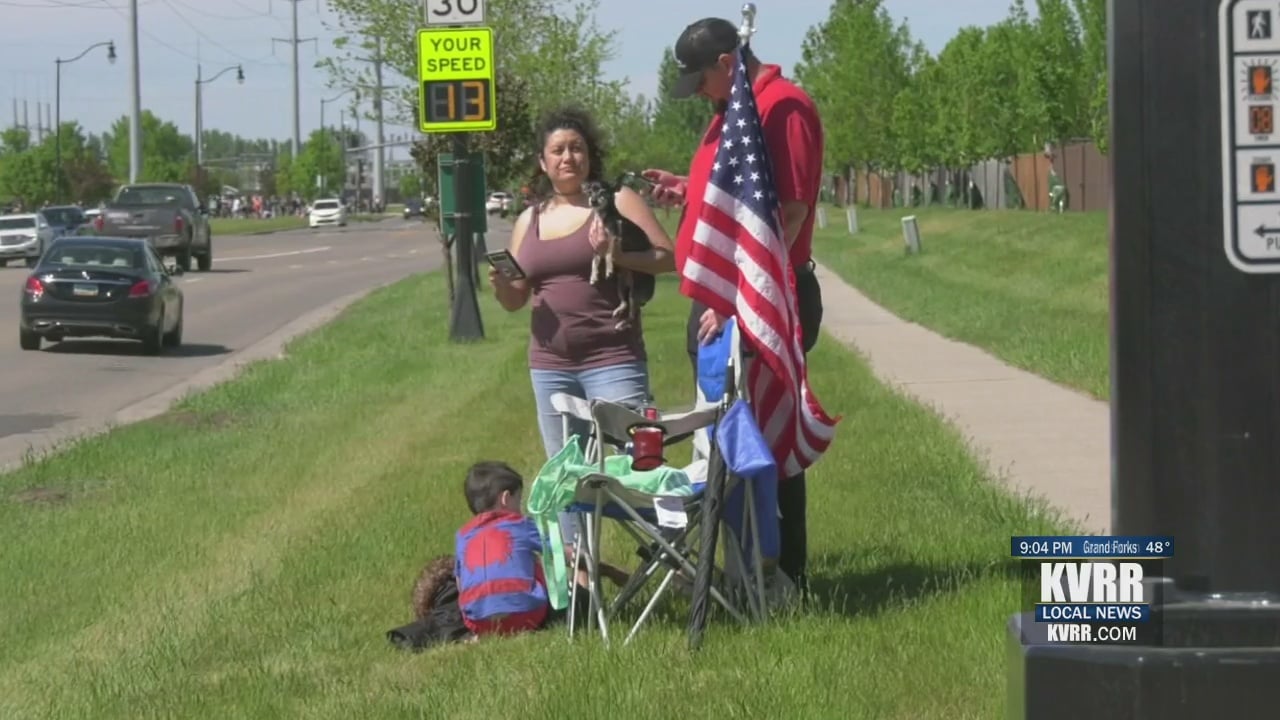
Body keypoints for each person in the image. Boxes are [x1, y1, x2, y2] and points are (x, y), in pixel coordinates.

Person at [642, 17, 826, 594]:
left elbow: (786, 212)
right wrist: (687, 190)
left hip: (760, 296)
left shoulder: (781, 108)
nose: (697, 92)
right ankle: (744, 567)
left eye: (701, 80)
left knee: (765, 439)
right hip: (717, 301)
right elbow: (737, 198)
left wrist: (736, 300)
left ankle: (783, 572)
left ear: (727, 63)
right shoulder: (729, 115)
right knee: (726, 436)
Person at [489, 106, 676, 459]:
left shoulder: (618, 201)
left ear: (590, 156)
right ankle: (569, 519)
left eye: (576, 148)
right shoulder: (529, 219)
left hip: (614, 360)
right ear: (543, 162)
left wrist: (618, 256)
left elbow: (668, 257)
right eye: (557, 150)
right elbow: (516, 300)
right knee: (566, 480)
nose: (568, 157)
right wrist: (501, 284)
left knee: (634, 474)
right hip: (550, 369)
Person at [454, 461, 627, 637]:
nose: (520, 509)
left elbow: (461, 585)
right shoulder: (519, 524)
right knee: (581, 598)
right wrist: (611, 572)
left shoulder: (462, 536)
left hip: (478, 623)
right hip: (526, 614)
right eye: (518, 501)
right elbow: (567, 556)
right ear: (505, 498)